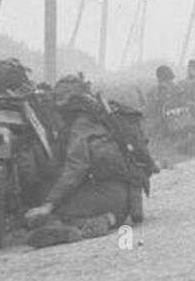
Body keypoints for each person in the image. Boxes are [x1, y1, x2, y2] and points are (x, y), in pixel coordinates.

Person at [23, 92, 141, 248]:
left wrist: (48, 205)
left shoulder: (80, 129)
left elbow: (75, 169)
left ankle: (74, 225)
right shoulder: (106, 124)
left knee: (45, 198)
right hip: (125, 200)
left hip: (104, 197)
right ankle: (108, 218)